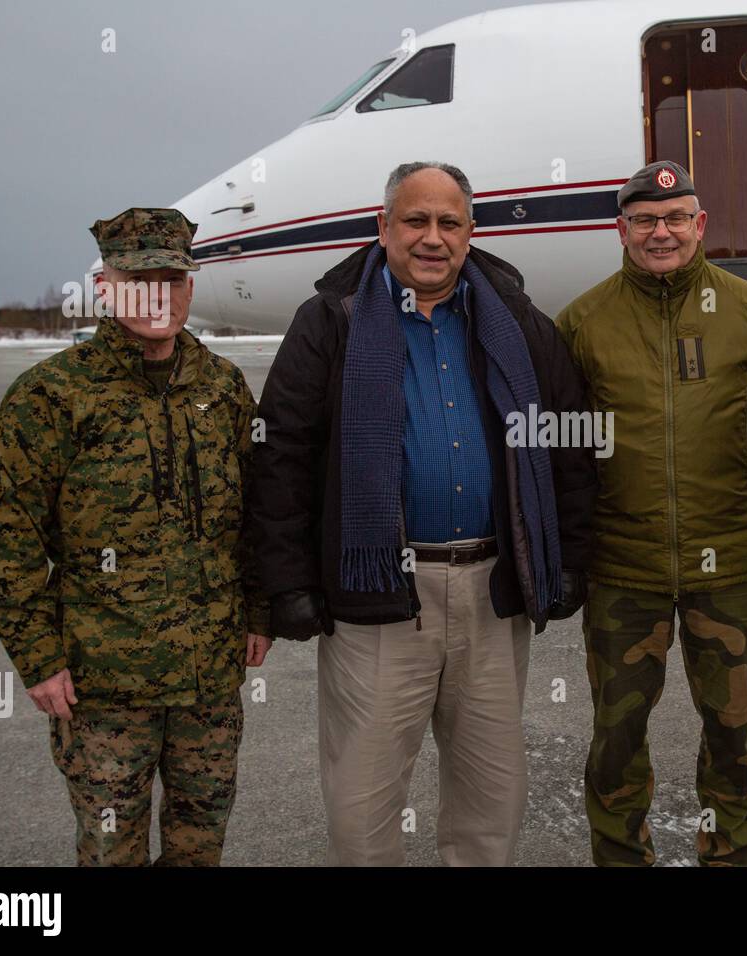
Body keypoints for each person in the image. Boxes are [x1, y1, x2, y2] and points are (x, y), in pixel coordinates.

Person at [249, 161, 596, 866]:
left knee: (491, 803)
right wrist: (286, 584)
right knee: (364, 807)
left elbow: (568, 441)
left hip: (493, 592)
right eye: (415, 220)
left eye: (448, 222)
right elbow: (281, 453)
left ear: (470, 234)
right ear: (383, 227)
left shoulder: (516, 323)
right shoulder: (331, 322)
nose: (431, 237)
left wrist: (571, 561)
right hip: (378, 601)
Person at [0, 207, 270, 866]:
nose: (159, 297)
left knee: (200, 845)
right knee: (112, 851)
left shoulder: (222, 390)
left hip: (208, 682)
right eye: (140, 280)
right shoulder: (52, 396)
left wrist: (260, 609)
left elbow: (256, 514)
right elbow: (5, 542)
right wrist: (37, 656)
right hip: (102, 687)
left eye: (173, 280)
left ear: (191, 286)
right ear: (105, 287)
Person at [555, 160, 747, 866]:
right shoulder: (583, 321)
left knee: (732, 730)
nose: (660, 232)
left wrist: (735, 468)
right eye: (644, 220)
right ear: (621, 230)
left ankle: (729, 852)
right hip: (622, 567)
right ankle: (620, 854)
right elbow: (563, 433)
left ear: (699, 226)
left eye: (675, 219)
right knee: (616, 732)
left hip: (725, 562)